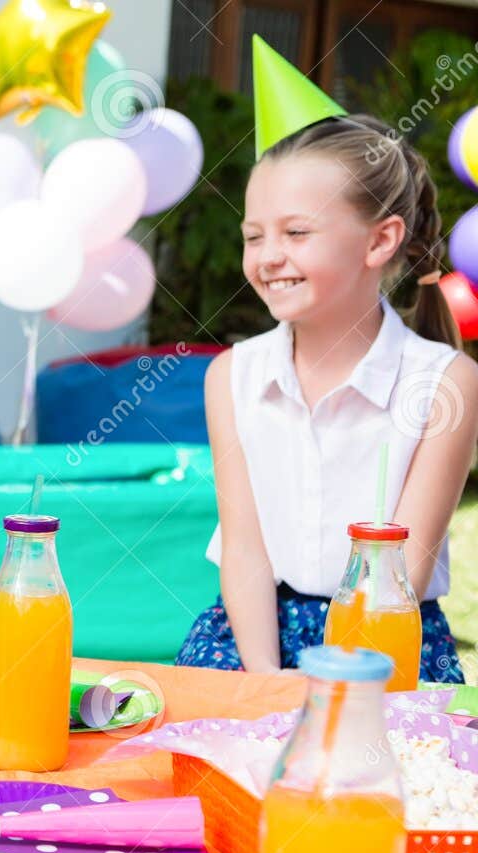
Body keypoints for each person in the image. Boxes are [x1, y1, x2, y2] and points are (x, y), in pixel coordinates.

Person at [178, 46, 478, 681]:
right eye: (253, 236)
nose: (268, 256)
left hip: (384, 639)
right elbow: (245, 551)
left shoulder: (444, 383)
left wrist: (335, 685)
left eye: (297, 232)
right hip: (252, 636)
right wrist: (264, 678)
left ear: (379, 240)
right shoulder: (231, 376)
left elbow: (401, 576)